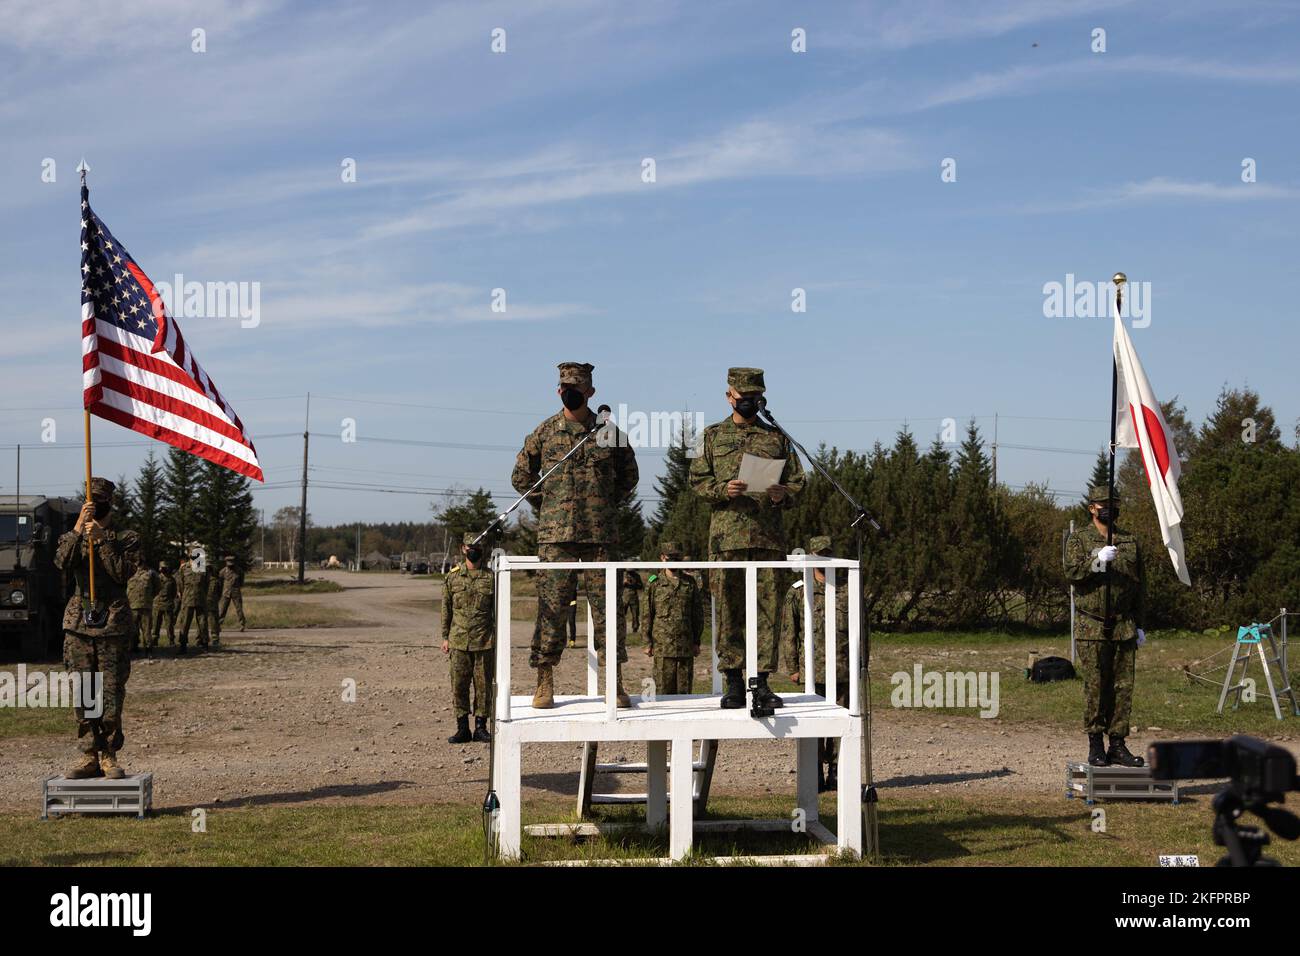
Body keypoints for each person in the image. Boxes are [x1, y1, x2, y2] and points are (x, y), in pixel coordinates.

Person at [511, 362, 638, 709]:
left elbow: (630, 475)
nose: (571, 391)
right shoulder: (545, 432)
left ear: (591, 393)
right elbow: (522, 476)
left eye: (578, 387)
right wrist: (549, 506)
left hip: (601, 537)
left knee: (608, 610)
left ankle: (615, 683)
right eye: (565, 386)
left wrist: (605, 505)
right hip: (556, 537)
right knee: (551, 609)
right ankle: (544, 682)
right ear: (558, 390)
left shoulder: (609, 432)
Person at [689, 367, 805, 709]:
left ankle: (762, 681)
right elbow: (696, 481)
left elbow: (799, 482)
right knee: (728, 610)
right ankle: (734, 681)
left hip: (768, 540)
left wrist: (783, 494)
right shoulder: (710, 437)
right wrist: (722, 490)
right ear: (729, 397)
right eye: (743, 399)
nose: (749, 404)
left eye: (755, 399)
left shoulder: (776, 438)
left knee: (769, 612)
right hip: (727, 541)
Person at [54, 477, 140, 779]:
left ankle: (108, 755)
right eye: (91, 499)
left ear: (110, 503)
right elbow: (62, 562)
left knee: (110, 693)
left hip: (112, 623)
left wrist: (102, 539)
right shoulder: (73, 535)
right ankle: (89, 753)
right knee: (84, 692)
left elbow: (121, 574)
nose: (95, 504)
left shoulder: (126, 538)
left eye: (101, 499)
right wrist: (79, 529)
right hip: (80, 623)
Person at [1064, 484, 1146, 768]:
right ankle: (1096, 745)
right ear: (1092, 508)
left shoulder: (1129, 540)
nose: (1110, 509)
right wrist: (1096, 561)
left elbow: (1139, 585)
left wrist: (1140, 624)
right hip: (1092, 626)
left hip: (1124, 625)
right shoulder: (1079, 540)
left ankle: (1118, 744)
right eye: (1104, 505)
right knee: (1096, 687)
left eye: (1114, 504)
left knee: (1123, 687)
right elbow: (1073, 573)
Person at [782, 536, 850, 790]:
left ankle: (836, 770)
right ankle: (814, 773)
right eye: (818, 554)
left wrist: (862, 663)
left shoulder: (846, 588)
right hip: (812, 670)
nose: (822, 559)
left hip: (843, 667)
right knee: (813, 724)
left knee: (840, 722)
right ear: (810, 556)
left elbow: (860, 630)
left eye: (826, 554)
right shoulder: (800, 591)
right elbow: (790, 631)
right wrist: (792, 667)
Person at [441, 533, 495, 743]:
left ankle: (481, 727)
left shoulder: (491, 578)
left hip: (484, 641)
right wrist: (445, 637)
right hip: (459, 641)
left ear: (482, 549)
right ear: (463, 548)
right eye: (470, 546)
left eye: (477, 546)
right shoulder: (453, 577)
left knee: (483, 686)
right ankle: (462, 728)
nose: (473, 550)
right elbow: (446, 609)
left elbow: (496, 610)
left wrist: (495, 638)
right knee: (459, 685)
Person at [643, 542, 704, 695]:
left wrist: (697, 641)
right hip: (662, 646)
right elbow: (647, 614)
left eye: (677, 558)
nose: (674, 561)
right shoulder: (654, 583)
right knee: (663, 692)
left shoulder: (689, 583)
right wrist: (647, 642)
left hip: (685, 645)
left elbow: (697, 614)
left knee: (685, 693)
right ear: (662, 558)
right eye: (670, 558)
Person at [177, 553, 210, 654]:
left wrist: (203, 594)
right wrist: (183, 595)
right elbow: (180, 584)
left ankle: (204, 644)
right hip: (187, 599)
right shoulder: (183, 568)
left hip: (200, 599)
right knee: (185, 623)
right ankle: (183, 645)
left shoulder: (203, 568)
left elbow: (206, 584)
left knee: (203, 623)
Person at [126, 564, 157, 656]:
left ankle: (148, 649)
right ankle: (133, 647)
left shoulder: (151, 573)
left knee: (146, 629)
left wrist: (149, 597)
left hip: (145, 606)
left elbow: (157, 587)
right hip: (132, 605)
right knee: (132, 628)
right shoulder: (128, 571)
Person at [151, 560, 178, 650]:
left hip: (168, 604)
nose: (163, 570)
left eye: (165, 568)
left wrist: (171, 600)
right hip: (157, 604)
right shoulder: (156, 578)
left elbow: (174, 592)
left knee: (169, 624)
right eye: (162, 568)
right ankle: (154, 640)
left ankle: (171, 640)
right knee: (156, 624)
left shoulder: (172, 579)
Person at [218, 555, 247, 631]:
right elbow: (220, 582)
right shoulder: (223, 571)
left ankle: (242, 625)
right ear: (226, 563)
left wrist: (237, 587)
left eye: (232, 563)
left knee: (239, 609)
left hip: (236, 592)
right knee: (222, 610)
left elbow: (241, 581)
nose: (230, 565)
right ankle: (218, 625)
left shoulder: (239, 571)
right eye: (229, 563)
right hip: (226, 593)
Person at [621, 568, 643, 635]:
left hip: (634, 597)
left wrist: (633, 584)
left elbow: (641, 586)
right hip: (624, 597)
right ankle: (620, 628)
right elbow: (616, 585)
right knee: (621, 614)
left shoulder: (637, 576)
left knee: (635, 614)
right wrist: (624, 583)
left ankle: (635, 629)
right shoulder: (623, 575)